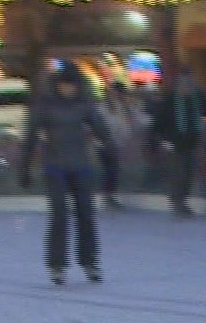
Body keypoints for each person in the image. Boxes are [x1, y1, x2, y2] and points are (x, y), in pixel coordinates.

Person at [20, 69, 120, 285]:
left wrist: (111, 151)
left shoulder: (84, 105)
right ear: (57, 86)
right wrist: (25, 168)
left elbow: (102, 129)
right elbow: (30, 137)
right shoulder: (45, 107)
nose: (68, 89)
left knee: (86, 215)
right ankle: (57, 265)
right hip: (54, 168)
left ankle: (89, 261)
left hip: (81, 166)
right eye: (64, 85)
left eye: (72, 85)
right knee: (59, 216)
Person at [150, 65, 206, 216]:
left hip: (193, 141)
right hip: (174, 143)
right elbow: (159, 122)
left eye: (190, 81)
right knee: (178, 173)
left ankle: (182, 200)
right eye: (185, 81)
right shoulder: (170, 99)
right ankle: (178, 202)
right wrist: (162, 140)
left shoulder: (198, 97)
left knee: (189, 173)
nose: (188, 84)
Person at [97, 81, 139, 210]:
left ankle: (111, 194)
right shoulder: (103, 107)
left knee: (114, 169)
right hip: (105, 143)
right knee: (110, 169)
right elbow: (101, 124)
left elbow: (133, 122)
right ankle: (108, 195)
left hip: (120, 142)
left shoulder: (125, 107)